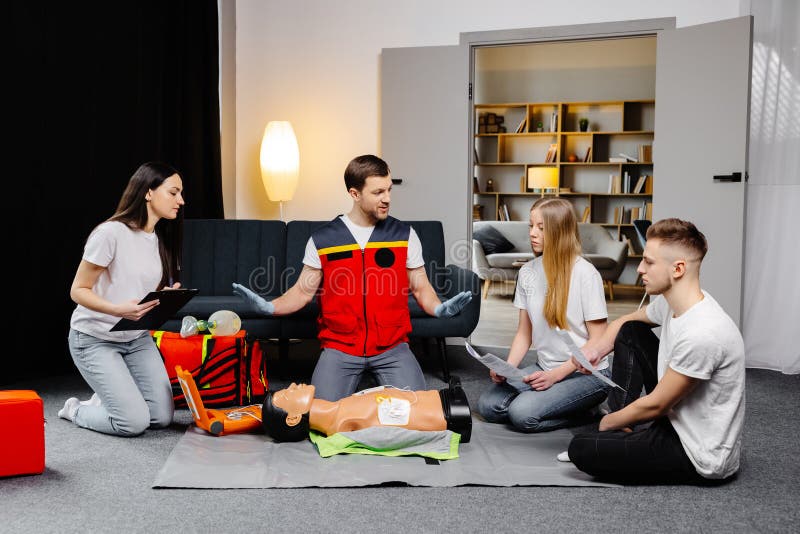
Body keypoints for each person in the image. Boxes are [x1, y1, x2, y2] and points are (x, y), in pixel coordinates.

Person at [233, 155, 472, 401]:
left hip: (392, 347)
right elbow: (302, 292)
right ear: (355, 194)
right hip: (340, 348)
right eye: (378, 192)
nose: (387, 198)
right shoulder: (323, 239)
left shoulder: (404, 235)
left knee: (416, 409)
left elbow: (421, 288)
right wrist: (270, 307)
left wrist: (439, 308)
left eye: (389, 190)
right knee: (321, 414)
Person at [567, 218, 745, 484]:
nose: (640, 269)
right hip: (675, 416)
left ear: (678, 268)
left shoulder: (703, 332)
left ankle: (618, 425)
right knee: (631, 331)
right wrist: (596, 350)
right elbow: (625, 322)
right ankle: (624, 424)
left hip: (697, 454)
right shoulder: (674, 302)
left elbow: (657, 404)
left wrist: (607, 423)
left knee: (580, 448)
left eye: (649, 262)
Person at [59, 162, 185, 436]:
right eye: (173, 192)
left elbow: (133, 289)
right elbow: (78, 290)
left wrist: (163, 298)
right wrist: (117, 310)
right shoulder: (110, 233)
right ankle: (75, 409)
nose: (181, 201)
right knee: (132, 423)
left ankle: (109, 399)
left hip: (135, 338)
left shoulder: (157, 239)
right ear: (148, 192)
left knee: (161, 417)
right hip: (94, 339)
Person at [476, 197, 611, 432]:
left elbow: (599, 340)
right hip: (545, 367)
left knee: (522, 414)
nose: (532, 233)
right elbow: (524, 334)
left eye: (541, 227)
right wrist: (507, 367)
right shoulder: (527, 272)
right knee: (489, 406)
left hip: (588, 374)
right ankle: (559, 404)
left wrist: (557, 375)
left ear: (560, 231)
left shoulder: (586, 274)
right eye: (531, 226)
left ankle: (589, 412)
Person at [263, 380, 471, 443]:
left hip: (440, 399)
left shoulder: (339, 409)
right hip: (447, 413)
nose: (292, 385)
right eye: (287, 394)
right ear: (293, 418)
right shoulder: (342, 424)